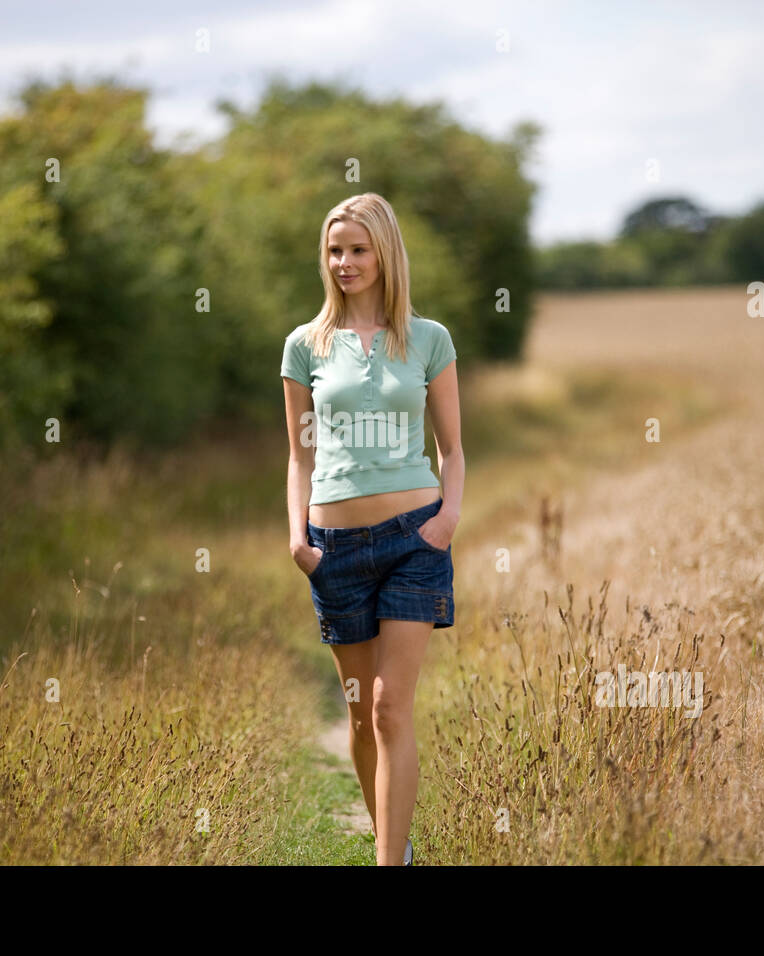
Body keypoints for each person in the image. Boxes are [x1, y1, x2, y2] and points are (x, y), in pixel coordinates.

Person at [280, 192, 464, 866]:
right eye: (335, 250)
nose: (345, 262)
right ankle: (398, 844)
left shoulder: (428, 338)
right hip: (334, 550)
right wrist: (297, 538)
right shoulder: (305, 345)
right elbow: (299, 453)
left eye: (358, 249)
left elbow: (453, 450)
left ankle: (390, 864)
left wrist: (446, 519)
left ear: (384, 253)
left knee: (390, 709)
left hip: (415, 539)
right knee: (360, 717)